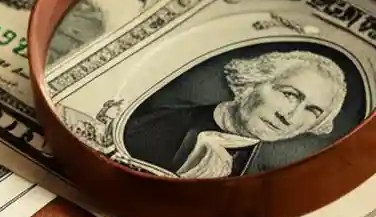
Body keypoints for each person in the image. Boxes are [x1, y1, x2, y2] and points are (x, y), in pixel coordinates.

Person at [123, 49, 346, 178]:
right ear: (250, 83)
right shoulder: (155, 126)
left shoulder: (282, 178)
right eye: (289, 94)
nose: (290, 117)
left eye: (312, 111)